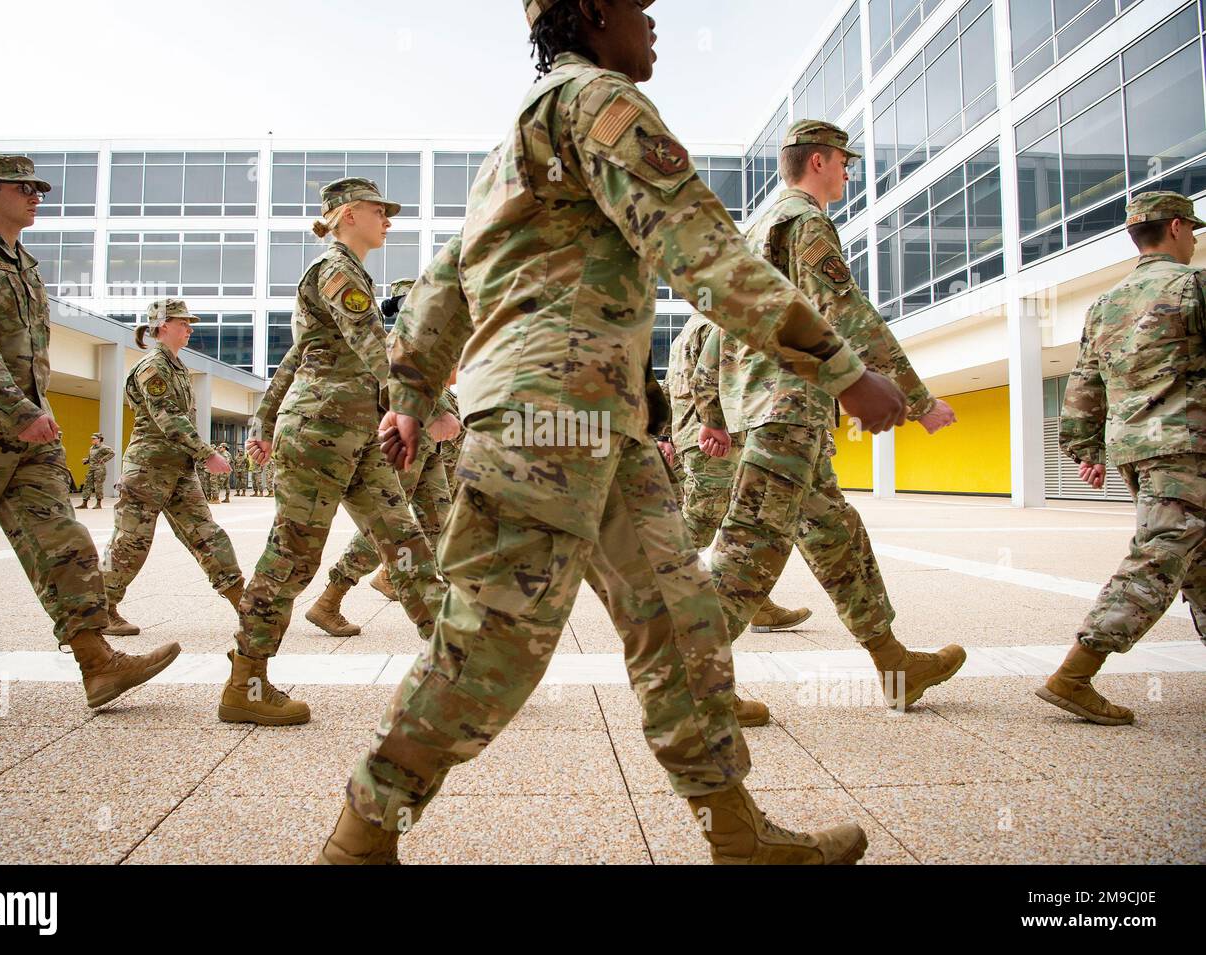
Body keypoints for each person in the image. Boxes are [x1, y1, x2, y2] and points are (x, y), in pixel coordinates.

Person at [316, 0, 908, 866]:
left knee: (681, 618)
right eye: (641, 6)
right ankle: (361, 836)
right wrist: (842, 367)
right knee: (493, 644)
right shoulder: (598, 101)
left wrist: (410, 391)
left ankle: (735, 836)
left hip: (607, 426)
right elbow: (702, 247)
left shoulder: (513, 144)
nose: (655, 23)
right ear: (592, 12)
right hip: (548, 418)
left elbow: (447, 277)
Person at [695, 119, 963, 712]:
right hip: (785, 403)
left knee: (836, 533)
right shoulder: (805, 222)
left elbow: (719, 329)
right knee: (751, 544)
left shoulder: (757, 229)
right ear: (819, 161)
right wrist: (915, 399)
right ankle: (690, 683)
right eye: (845, 161)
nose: (849, 172)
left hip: (765, 403)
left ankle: (895, 663)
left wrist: (717, 408)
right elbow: (844, 310)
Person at [0, 153, 179, 717]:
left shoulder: (24, 266)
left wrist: (33, 415)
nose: (35, 196)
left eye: (38, 188)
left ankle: (97, 662)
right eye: (22, 187)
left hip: (27, 435)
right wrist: (16, 409)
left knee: (63, 542)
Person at [230, 178, 448, 725]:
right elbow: (373, 343)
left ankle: (453, 671)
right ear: (349, 213)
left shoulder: (349, 273)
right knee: (294, 554)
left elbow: (302, 355)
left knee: (405, 541)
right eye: (381, 211)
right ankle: (246, 683)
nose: (388, 222)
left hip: (357, 433)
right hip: (319, 433)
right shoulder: (335, 269)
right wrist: (423, 406)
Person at [1039, 190, 1206, 725]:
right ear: (1177, 227)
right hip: (1187, 447)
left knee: (1196, 560)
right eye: (1194, 229)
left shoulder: (1105, 304)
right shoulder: (1193, 287)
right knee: (1160, 555)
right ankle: (1075, 673)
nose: (1197, 238)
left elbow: (1084, 382)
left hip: (1137, 448)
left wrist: (1086, 449)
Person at [310, 279, 461, 632]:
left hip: (430, 448)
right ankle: (330, 598)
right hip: (405, 443)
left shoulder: (426, 339)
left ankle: (456, 607)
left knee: (442, 523)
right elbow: (403, 384)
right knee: (386, 526)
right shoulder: (397, 340)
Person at [98, 299, 242, 636]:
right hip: (147, 469)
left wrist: (197, 457)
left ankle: (245, 603)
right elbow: (168, 418)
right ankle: (101, 610)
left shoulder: (176, 366)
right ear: (163, 326)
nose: (189, 329)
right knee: (131, 542)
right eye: (183, 323)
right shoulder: (153, 367)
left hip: (178, 470)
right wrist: (207, 454)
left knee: (207, 534)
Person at [666, 312, 811, 632]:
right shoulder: (715, 322)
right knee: (702, 520)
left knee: (744, 523)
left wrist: (668, 437)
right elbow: (720, 379)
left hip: (701, 436)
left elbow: (671, 389)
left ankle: (755, 604)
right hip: (717, 439)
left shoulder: (686, 331)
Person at [77, 431, 115, 509]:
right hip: (91, 469)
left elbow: (112, 453)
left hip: (99, 469)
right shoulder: (91, 448)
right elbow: (92, 458)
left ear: (99, 439)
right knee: (87, 485)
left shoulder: (103, 447)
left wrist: (104, 459)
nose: (92, 440)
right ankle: (84, 503)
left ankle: (98, 503)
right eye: (92, 438)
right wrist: (87, 460)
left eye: (94, 438)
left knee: (98, 486)